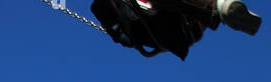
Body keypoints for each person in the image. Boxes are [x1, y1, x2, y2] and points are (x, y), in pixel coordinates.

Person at [91, 0, 260, 60]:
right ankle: (220, 8)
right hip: (156, 31)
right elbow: (120, 35)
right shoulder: (101, 6)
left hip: (181, 23)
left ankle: (222, 8)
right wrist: (124, 36)